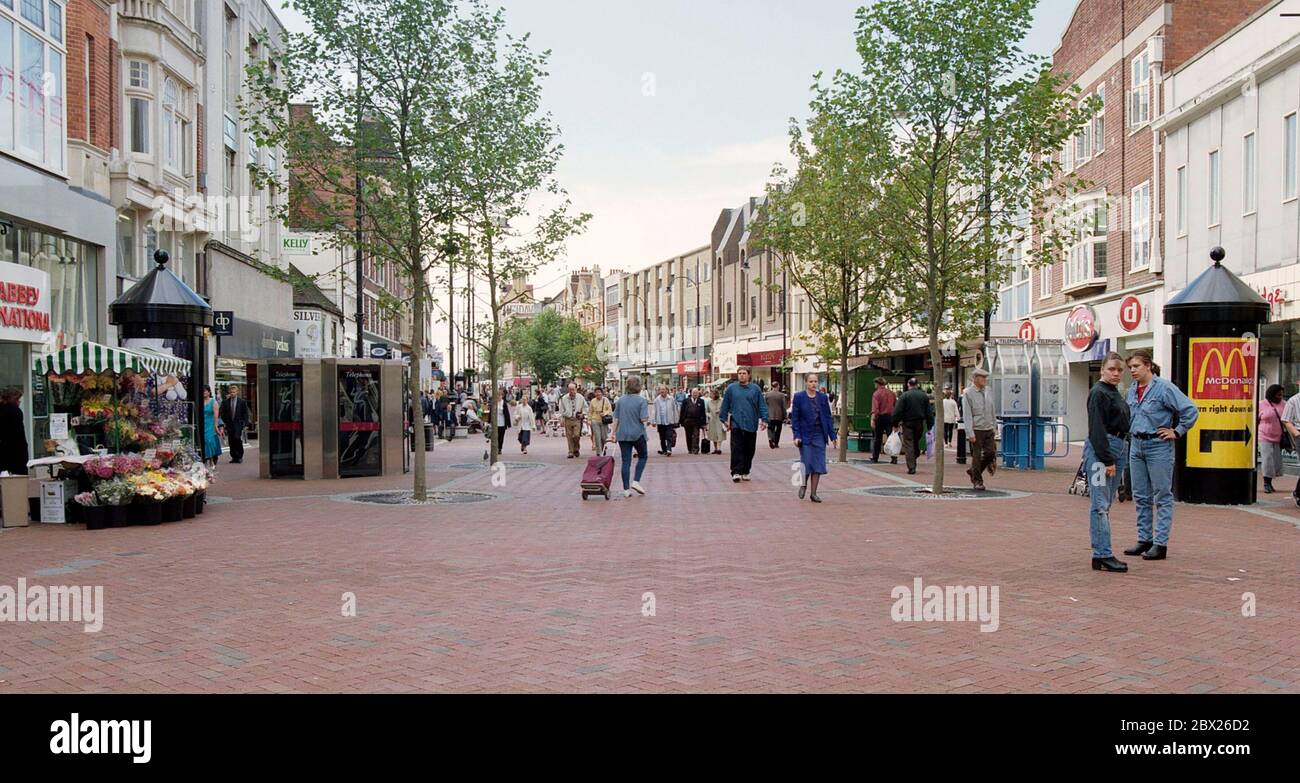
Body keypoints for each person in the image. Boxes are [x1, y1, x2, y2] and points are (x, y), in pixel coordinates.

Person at [1123, 348, 1199, 561]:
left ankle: (1160, 543)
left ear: (1148, 365)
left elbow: (1190, 410)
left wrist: (1177, 431)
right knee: (1140, 495)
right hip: (1136, 444)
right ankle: (1144, 539)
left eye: (1136, 366)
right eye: (1130, 368)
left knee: (1162, 495)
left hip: (1157, 446)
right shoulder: (1132, 389)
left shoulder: (1164, 388)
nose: (1133, 371)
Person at [1086, 352, 1132, 573]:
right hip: (1103, 450)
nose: (1116, 373)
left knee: (1105, 503)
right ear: (1102, 369)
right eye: (1111, 369)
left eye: (1119, 370)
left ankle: (1102, 554)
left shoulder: (1113, 392)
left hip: (1118, 446)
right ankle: (1102, 554)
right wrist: (1107, 459)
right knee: (1100, 505)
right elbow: (1097, 429)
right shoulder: (1099, 393)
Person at [791, 373, 837, 502]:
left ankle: (814, 493)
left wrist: (832, 435)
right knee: (806, 461)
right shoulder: (799, 397)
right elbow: (795, 418)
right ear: (806, 382)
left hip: (819, 434)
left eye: (815, 381)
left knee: (818, 463)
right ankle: (803, 485)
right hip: (805, 434)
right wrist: (796, 435)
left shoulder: (822, 398)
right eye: (811, 381)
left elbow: (827, 417)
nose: (813, 384)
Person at [720, 368, 769, 482]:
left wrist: (764, 419)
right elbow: (725, 404)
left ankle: (746, 470)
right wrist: (723, 419)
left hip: (751, 422)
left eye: (744, 373)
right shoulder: (731, 388)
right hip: (736, 422)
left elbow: (762, 405)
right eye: (739, 373)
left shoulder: (755, 389)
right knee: (736, 447)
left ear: (749, 375)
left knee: (749, 448)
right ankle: (736, 471)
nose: (741, 376)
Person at [608, 376, 651, 498]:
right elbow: (643, 419)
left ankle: (626, 489)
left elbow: (616, 419)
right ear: (638, 386)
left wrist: (613, 433)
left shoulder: (620, 400)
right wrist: (647, 420)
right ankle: (636, 481)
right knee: (643, 456)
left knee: (625, 461)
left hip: (622, 434)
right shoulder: (642, 401)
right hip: (637, 433)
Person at [961, 369, 997, 491]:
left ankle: (973, 471)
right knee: (976, 455)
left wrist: (994, 426)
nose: (985, 380)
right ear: (975, 378)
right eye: (982, 377)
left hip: (988, 427)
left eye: (985, 377)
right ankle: (977, 480)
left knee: (990, 453)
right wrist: (969, 432)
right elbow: (967, 415)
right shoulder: (968, 393)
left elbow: (992, 409)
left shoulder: (988, 391)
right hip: (976, 429)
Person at [892, 378, 932, 475]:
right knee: (916, 441)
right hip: (919, 423)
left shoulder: (904, 396)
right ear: (917, 385)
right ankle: (916, 453)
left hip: (908, 423)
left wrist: (895, 423)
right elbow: (929, 412)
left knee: (909, 443)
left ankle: (911, 467)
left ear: (908, 384)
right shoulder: (924, 396)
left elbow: (898, 411)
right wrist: (930, 425)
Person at [1259, 384, 1287, 495]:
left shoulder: (1284, 405)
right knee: (1267, 460)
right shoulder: (1261, 404)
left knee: (1275, 461)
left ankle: (1270, 481)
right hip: (1264, 435)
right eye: (1278, 394)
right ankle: (1266, 483)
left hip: (1278, 436)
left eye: (1281, 394)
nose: (1280, 397)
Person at [0, 387, 30, 475]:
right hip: (16, 453)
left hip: (2, 451)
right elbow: (18, 434)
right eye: (18, 399)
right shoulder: (15, 411)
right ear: (14, 399)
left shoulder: (2, 409)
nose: (20, 402)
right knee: (18, 480)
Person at [219, 385, 250, 464]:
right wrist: (224, 422)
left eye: (234, 392)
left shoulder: (242, 402)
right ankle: (233, 457)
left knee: (237, 438)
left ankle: (239, 456)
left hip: (238, 424)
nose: (232, 394)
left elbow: (245, 413)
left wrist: (246, 424)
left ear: (237, 392)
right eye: (231, 392)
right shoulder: (225, 402)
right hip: (229, 424)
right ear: (229, 392)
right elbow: (222, 413)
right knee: (231, 440)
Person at [870, 377, 897, 464]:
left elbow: (875, 409)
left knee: (878, 438)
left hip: (880, 418)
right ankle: (894, 457)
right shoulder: (892, 393)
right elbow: (895, 406)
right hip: (890, 417)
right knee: (891, 437)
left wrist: (873, 419)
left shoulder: (876, 394)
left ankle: (875, 457)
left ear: (877, 384)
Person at [559, 382, 588, 459]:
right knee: (569, 436)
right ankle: (570, 452)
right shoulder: (564, 398)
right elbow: (561, 409)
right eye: (570, 389)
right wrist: (561, 419)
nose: (571, 391)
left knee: (576, 435)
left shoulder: (580, 397)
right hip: (568, 419)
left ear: (576, 389)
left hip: (577, 419)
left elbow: (586, 407)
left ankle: (576, 448)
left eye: (573, 389)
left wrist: (583, 414)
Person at [651, 385, 681, 457]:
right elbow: (654, 411)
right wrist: (653, 421)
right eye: (661, 390)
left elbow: (675, 410)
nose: (662, 391)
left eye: (663, 390)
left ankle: (669, 449)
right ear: (659, 391)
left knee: (669, 436)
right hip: (660, 421)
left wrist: (676, 419)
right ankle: (664, 450)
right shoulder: (656, 400)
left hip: (669, 421)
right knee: (662, 437)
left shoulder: (671, 399)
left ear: (667, 391)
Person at [201, 385, 225, 468]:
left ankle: (211, 460)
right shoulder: (200, 401)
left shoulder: (213, 401)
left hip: (210, 424)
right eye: (203, 391)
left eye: (205, 391)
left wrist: (216, 425)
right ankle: (206, 460)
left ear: (209, 392)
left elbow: (216, 416)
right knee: (204, 441)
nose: (204, 392)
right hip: (202, 424)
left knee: (209, 441)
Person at [679, 387, 707, 455]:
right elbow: (682, 411)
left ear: (698, 394)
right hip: (687, 421)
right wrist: (681, 421)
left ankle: (695, 449)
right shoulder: (686, 401)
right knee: (688, 435)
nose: (695, 394)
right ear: (691, 393)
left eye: (696, 393)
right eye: (694, 393)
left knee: (696, 435)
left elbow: (703, 412)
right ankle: (690, 449)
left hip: (697, 421)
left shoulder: (701, 401)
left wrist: (704, 423)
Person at [588, 387, 613, 456]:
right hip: (595, 420)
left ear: (602, 393)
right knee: (597, 436)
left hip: (603, 420)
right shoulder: (593, 401)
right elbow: (590, 411)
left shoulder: (606, 400)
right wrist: (589, 420)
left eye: (599, 392)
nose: (598, 393)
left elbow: (610, 410)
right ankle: (599, 452)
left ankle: (603, 447)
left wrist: (605, 413)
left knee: (603, 437)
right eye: (596, 392)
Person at [765, 381, 789, 449]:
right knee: (778, 430)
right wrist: (785, 416)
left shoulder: (767, 394)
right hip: (779, 415)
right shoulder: (781, 395)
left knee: (770, 428)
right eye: (779, 386)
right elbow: (783, 407)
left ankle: (770, 438)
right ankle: (776, 443)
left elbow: (765, 405)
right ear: (777, 386)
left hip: (770, 415)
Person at [704, 387, 725, 455]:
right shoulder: (709, 402)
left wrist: (720, 411)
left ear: (715, 394)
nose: (711, 395)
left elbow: (725, 409)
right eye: (710, 394)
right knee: (713, 434)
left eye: (712, 394)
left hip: (720, 419)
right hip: (712, 420)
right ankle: (715, 448)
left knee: (719, 433)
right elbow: (707, 411)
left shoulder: (721, 400)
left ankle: (719, 448)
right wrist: (709, 415)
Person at [492, 389, 512, 456]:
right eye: (497, 396)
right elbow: (491, 412)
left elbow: (507, 414)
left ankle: (500, 448)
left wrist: (508, 424)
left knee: (501, 436)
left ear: (502, 396)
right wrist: (489, 421)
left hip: (502, 422)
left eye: (500, 395)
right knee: (495, 436)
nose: (498, 397)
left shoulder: (504, 403)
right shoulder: (494, 403)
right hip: (495, 422)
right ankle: (496, 448)